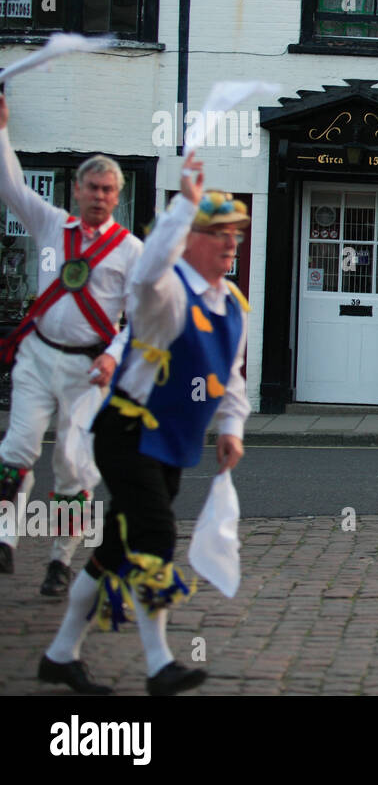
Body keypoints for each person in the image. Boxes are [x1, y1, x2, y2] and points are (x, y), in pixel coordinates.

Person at [37, 154, 250, 695]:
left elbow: (231, 376)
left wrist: (232, 428)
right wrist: (183, 204)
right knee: (153, 533)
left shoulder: (233, 306)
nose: (230, 244)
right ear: (190, 239)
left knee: (112, 550)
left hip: (173, 442)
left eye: (235, 235)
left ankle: (60, 654)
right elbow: (149, 269)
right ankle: (160, 665)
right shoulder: (165, 292)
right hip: (127, 433)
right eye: (218, 233)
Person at [0, 93, 142, 595]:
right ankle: (4, 539)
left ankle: (61, 560)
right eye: (92, 187)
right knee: (15, 451)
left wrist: (112, 354)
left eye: (108, 189)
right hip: (38, 357)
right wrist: (1, 130)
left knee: (72, 464)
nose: (100, 195)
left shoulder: (130, 252)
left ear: (117, 195)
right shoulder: (50, 226)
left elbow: (139, 322)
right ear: (76, 190)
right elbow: (12, 185)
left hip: (88, 372)